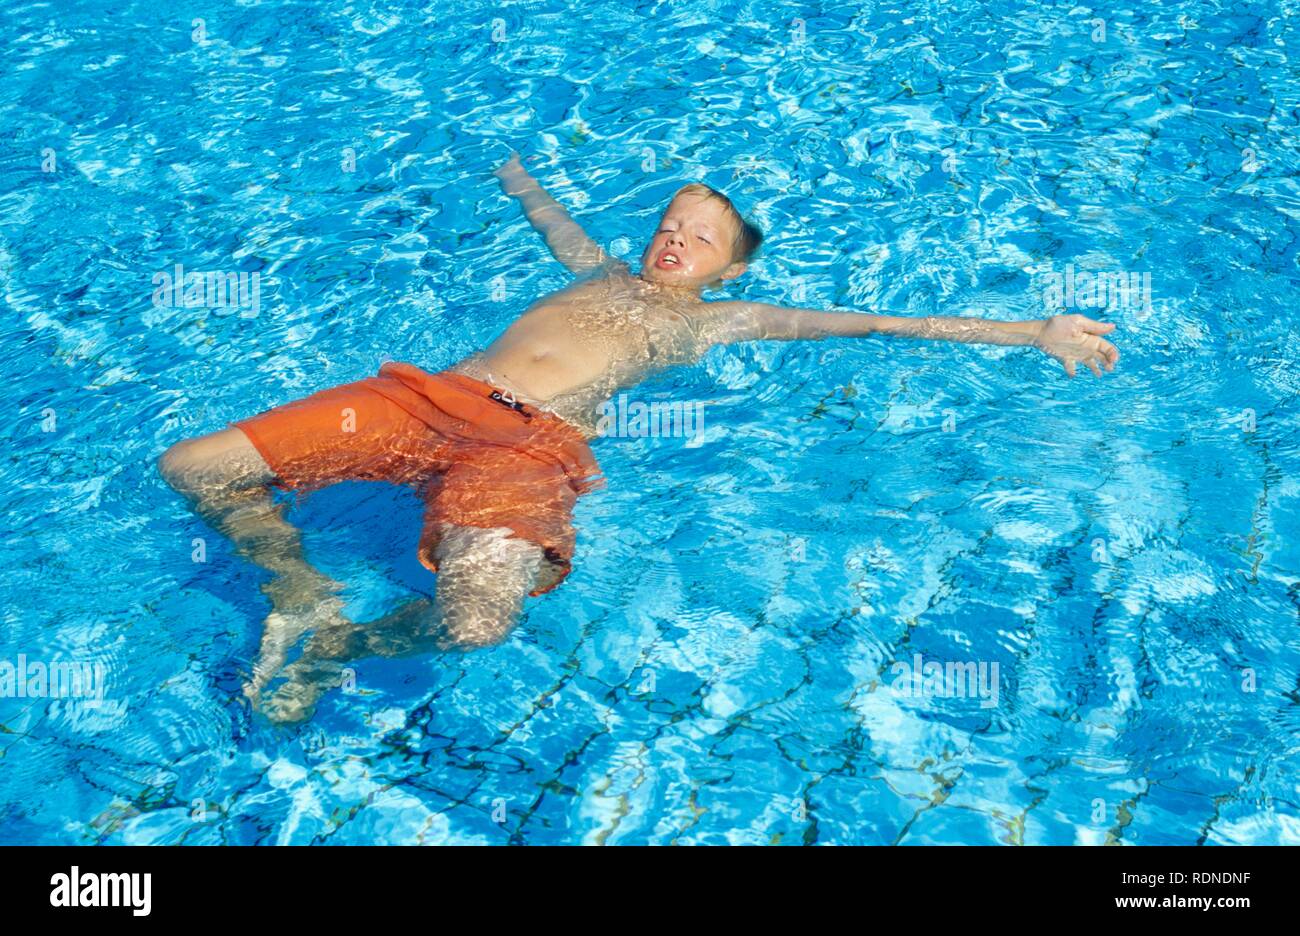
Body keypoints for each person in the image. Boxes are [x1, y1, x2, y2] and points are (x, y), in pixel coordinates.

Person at [159, 151, 1120, 724]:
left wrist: (1030, 331)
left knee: (477, 623)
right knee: (195, 467)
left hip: (524, 450)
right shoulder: (593, 269)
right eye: (671, 223)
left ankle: (342, 646)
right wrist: (513, 173)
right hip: (428, 402)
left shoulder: (722, 322)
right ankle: (296, 587)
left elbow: (878, 324)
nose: (675, 241)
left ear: (726, 271)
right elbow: (551, 218)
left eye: (700, 240)